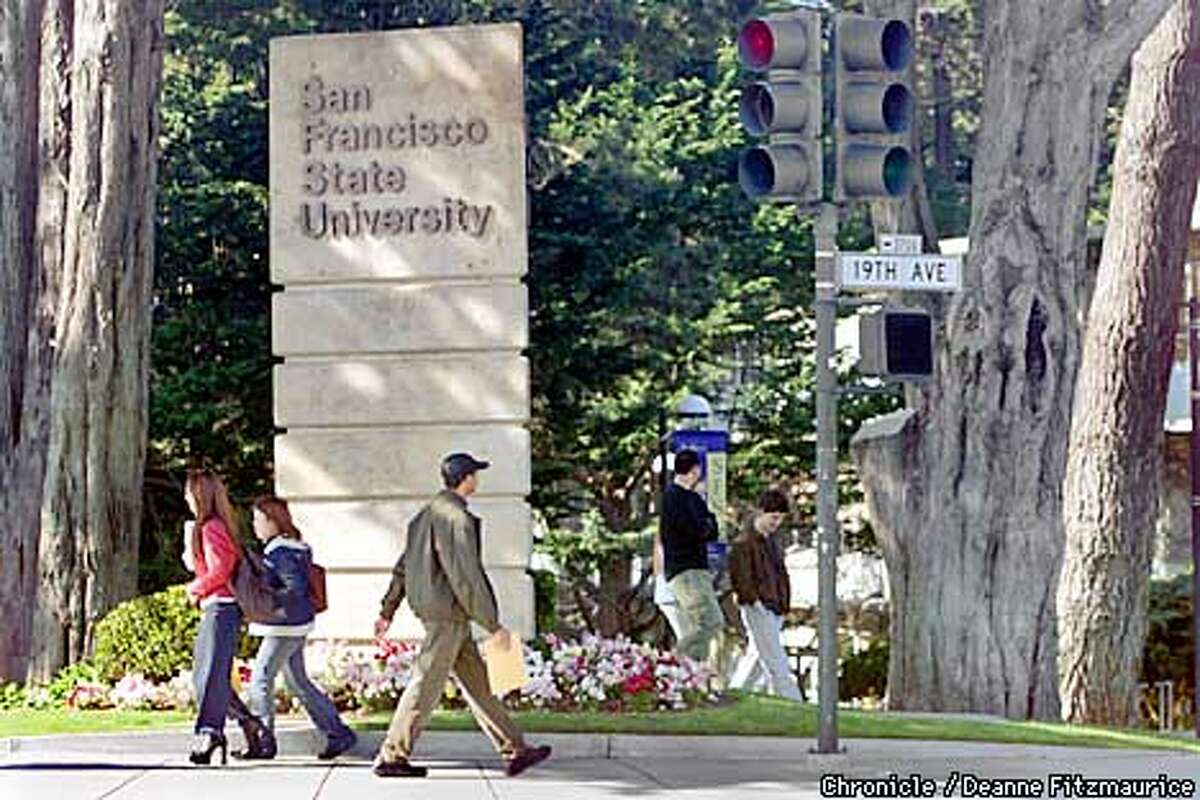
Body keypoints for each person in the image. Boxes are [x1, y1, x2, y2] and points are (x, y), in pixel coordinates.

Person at [372, 452, 552, 778]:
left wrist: (388, 609)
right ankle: (391, 755)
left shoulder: (425, 516)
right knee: (426, 682)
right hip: (448, 613)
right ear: (467, 478)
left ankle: (516, 750)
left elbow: (402, 568)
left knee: (479, 685)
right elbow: (465, 576)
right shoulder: (456, 518)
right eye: (475, 474)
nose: (477, 479)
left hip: (443, 611)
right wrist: (491, 624)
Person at [239, 496, 357, 760]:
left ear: (273, 521)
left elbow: (295, 588)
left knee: (260, 679)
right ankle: (338, 734)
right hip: (296, 624)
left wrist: (266, 597)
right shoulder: (292, 548)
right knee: (298, 682)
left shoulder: (280, 553)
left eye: (258, 519)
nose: (254, 525)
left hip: (284, 626)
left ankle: (263, 741)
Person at [183, 469, 243, 765]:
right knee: (206, 675)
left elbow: (221, 568)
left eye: (188, 491)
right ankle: (248, 725)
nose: (185, 497)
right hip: (217, 607)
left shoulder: (211, 527)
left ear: (198, 495)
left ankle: (211, 732)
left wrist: (196, 588)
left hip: (221, 607)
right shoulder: (209, 527)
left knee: (210, 675)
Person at [728, 489, 802, 701]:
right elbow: (741, 579)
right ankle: (794, 702)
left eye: (780, 518)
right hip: (758, 607)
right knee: (777, 662)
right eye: (773, 517)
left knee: (756, 659)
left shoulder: (771, 542)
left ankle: (735, 696)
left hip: (773, 608)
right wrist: (755, 602)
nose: (776, 523)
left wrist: (783, 607)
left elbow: (780, 576)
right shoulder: (743, 543)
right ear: (760, 512)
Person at [661, 449, 723, 664]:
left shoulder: (677, 497)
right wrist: (707, 521)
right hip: (688, 570)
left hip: (689, 568)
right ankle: (673, 661)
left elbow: (709, 531)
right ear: (695, 470)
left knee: (698, 626)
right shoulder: (680, 498)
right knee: (711, 621)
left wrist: (706, 525)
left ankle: (692, 671)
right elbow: (702, 530)